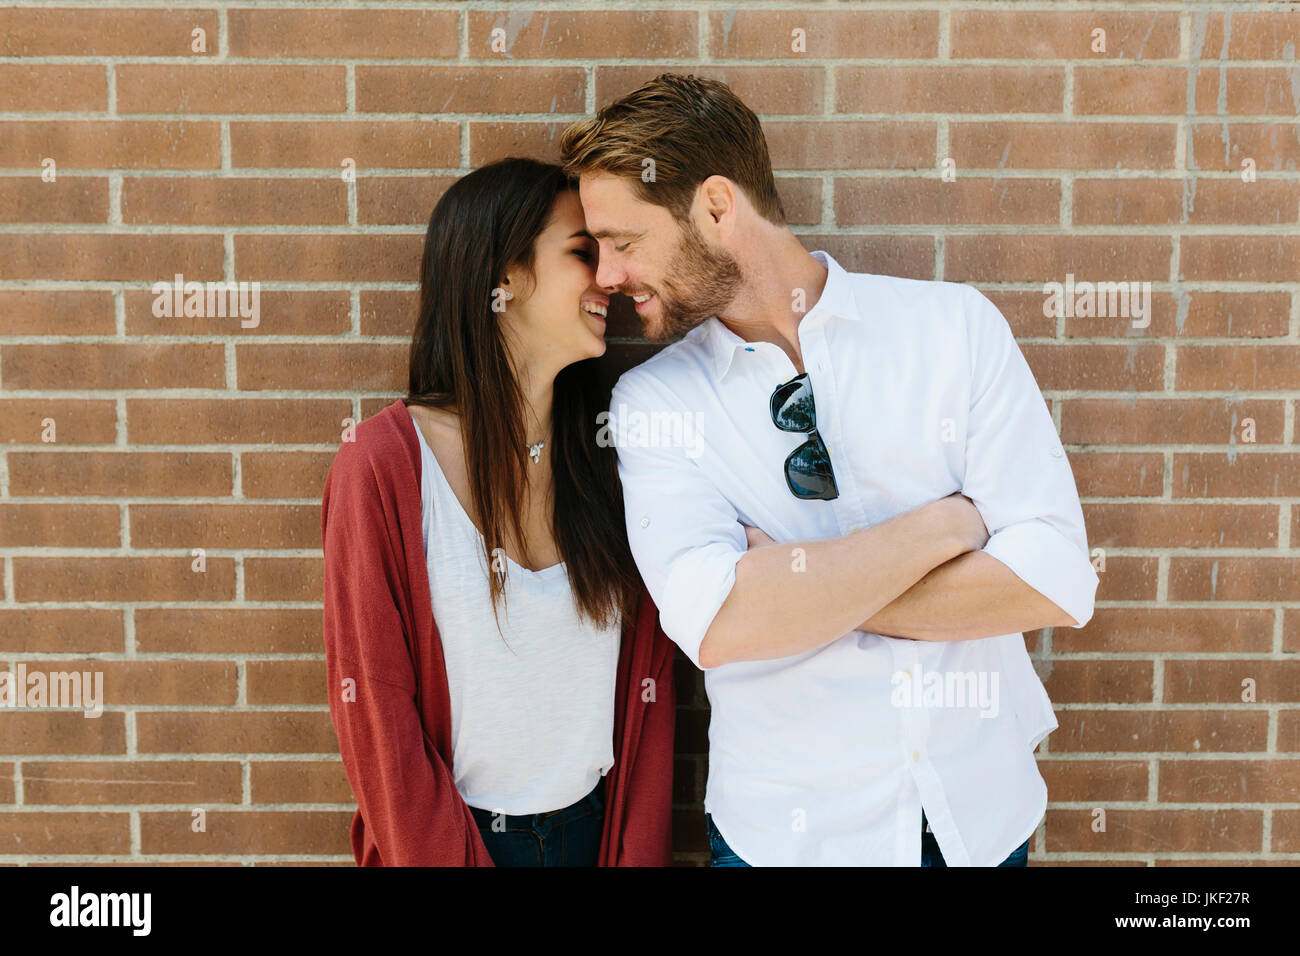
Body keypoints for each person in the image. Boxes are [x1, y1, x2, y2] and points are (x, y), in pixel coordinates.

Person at [559, 73, 1099, 866]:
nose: (605, 276)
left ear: (717, 207)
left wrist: (793, 584)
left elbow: (1054, 580)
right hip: (788, 838)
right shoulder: (653, 405)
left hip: (976, 820)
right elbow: (718, 624)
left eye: (624, 242)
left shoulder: (952, 330)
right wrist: (946, 525)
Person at [320, 157, 676, 866]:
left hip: (593, 840)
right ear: (504, 278)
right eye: (582, 252)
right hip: (455, 846)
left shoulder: (613, 458)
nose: (610, 277)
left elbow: (653, 692)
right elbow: (377, 721)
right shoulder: (386, 467)